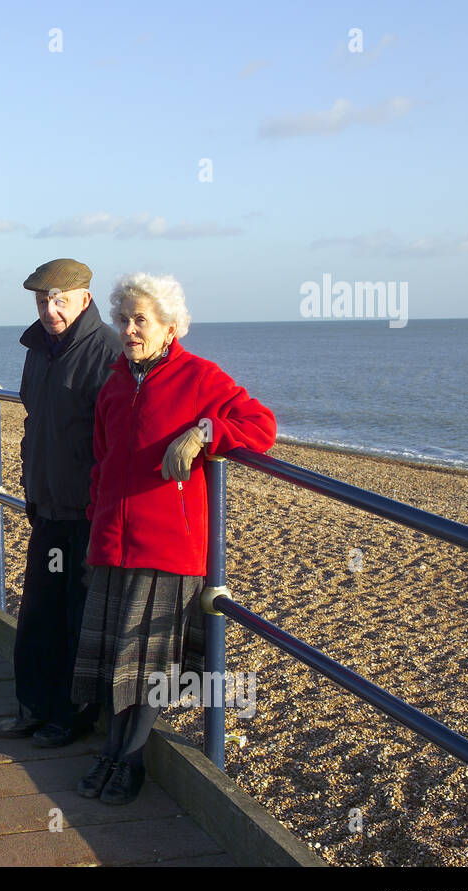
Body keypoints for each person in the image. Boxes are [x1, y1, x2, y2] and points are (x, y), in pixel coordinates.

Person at [71, 273, 276, 805]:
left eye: (141, 320)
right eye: (124, 319)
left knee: (146, 666)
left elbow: (260, 425)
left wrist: (203, 433)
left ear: (169, 327)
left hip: (168, 549)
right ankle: (110, 753)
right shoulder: (114, 383)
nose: (129, 329)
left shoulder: (200, 377)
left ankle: (130, 761)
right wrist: (95, 524)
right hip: (112, 542)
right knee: (116, 660)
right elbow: (101, 462)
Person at [0, 258, 124, 748]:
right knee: (39, 611)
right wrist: (30, 482)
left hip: (87, 512)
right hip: (46, 502)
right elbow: (35, 421)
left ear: (84, 299)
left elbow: (115, 437)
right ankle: (32, 707)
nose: (50, 309)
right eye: (42, 300)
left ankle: (71, 718)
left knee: (78, 615)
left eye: (59, 300)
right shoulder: (38, 348)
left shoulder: (108, 350)